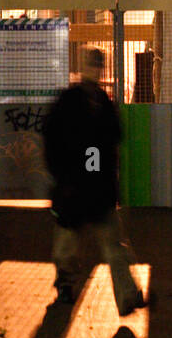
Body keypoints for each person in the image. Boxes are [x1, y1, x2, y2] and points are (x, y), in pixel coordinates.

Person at [42, 47, 144, 314]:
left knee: (78, 245)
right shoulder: (98, 102)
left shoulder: (75, 100)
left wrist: (62, 175)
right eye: (94, 64)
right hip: (86, 188)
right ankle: (124, 295)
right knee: (103, 246)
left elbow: (53, 138)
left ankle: (121, 295)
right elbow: (111, 143)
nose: (96, 69)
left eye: (98, 65)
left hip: (82, 189)